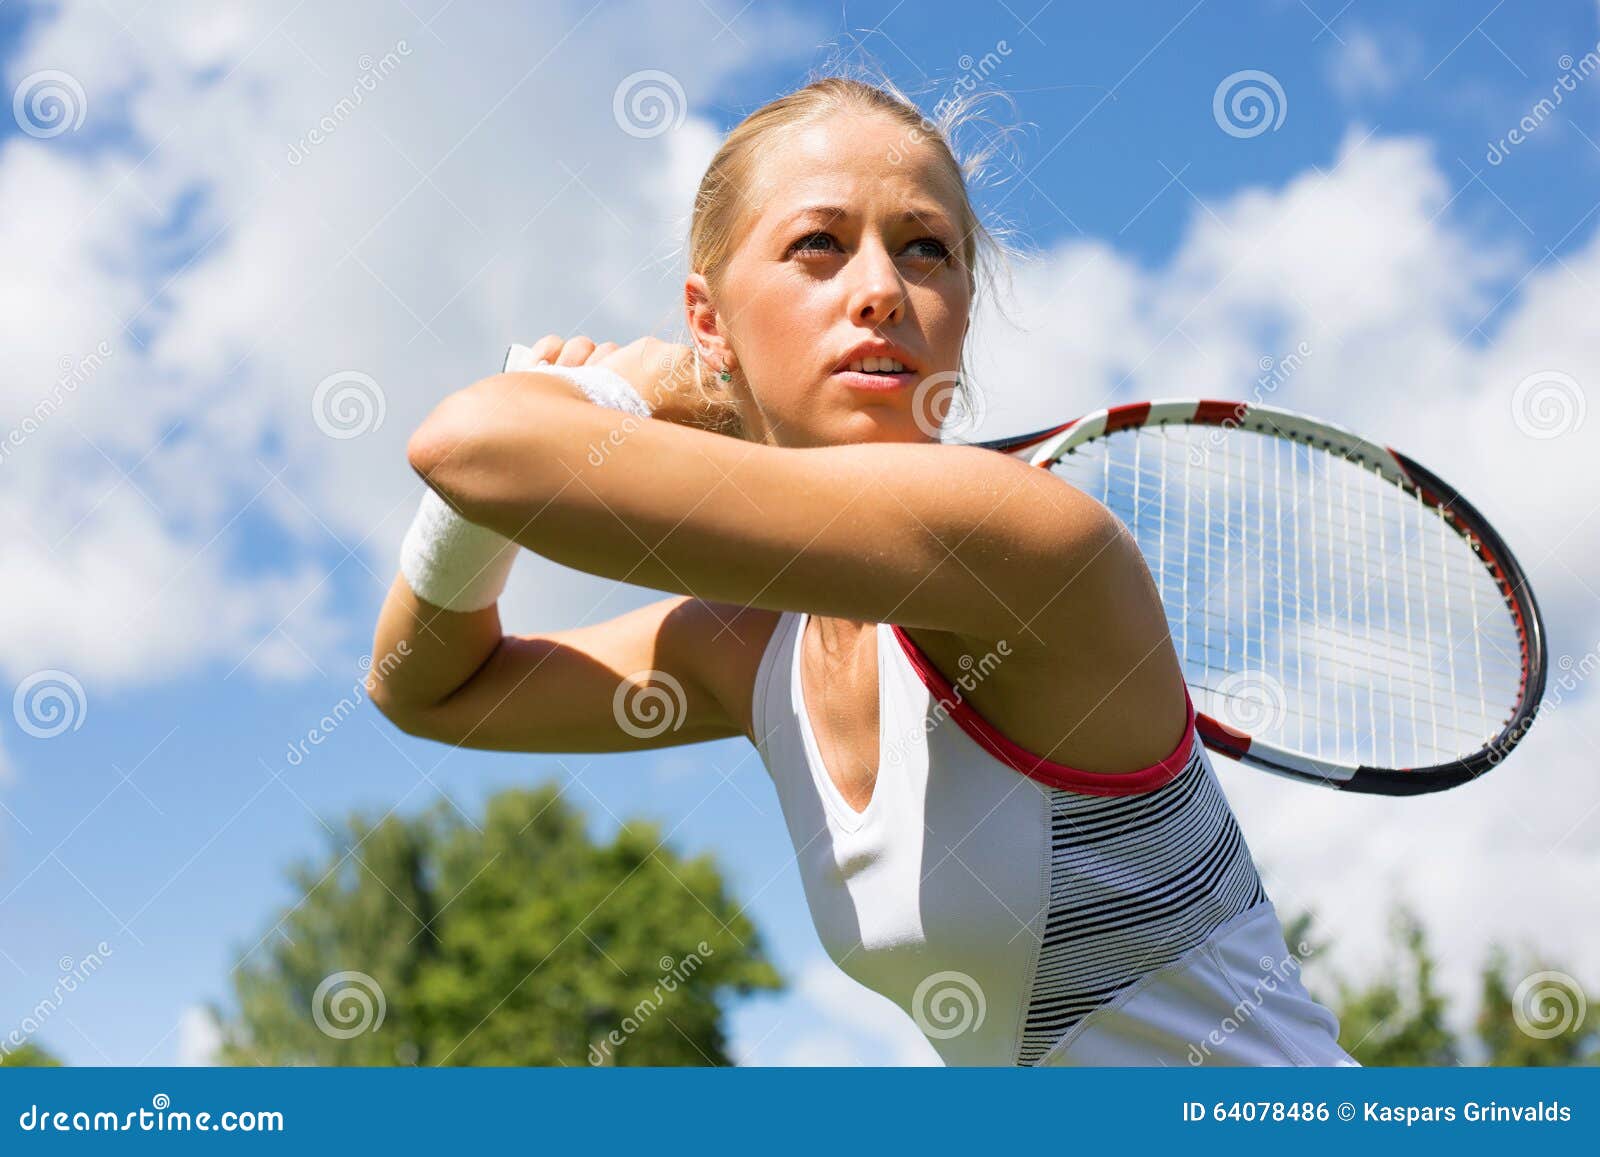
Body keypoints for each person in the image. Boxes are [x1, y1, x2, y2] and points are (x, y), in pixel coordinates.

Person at [368, 74, 1357, 1067]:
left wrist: (611, 389)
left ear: (964, 308)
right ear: (708, 316)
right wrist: (589, 419)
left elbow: (475, 441)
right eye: (819, 245)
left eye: (926, 248)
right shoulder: (754, 647)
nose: (882, 287)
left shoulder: (1021, 535)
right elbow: (430, 685)